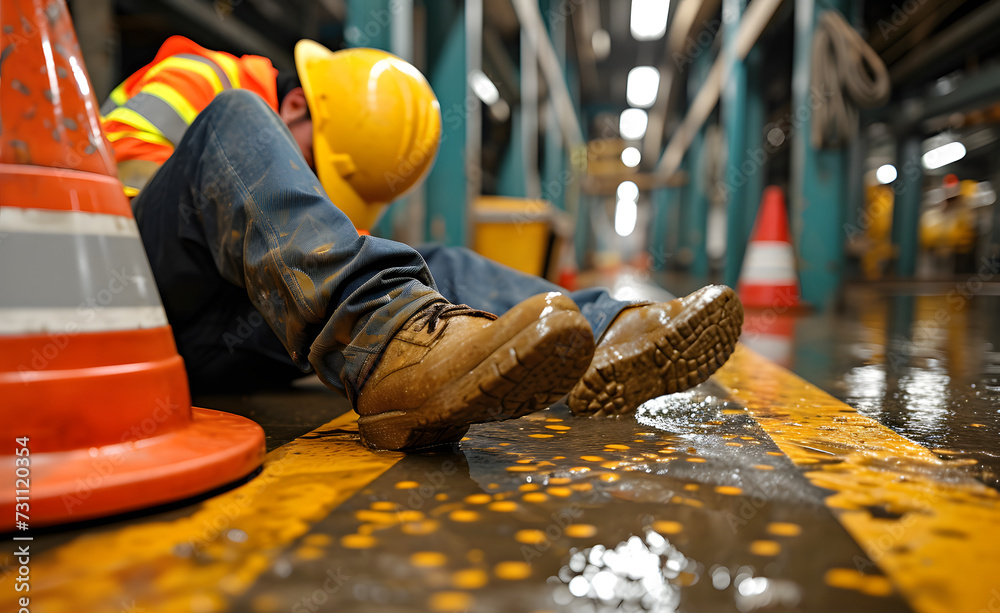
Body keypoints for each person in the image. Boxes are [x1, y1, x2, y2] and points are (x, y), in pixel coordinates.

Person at [100, 36, 743, 450]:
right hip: (124, 298)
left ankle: (604, 336)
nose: (308, 189)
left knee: (435, 264)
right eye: (312, 169)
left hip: (213, 338)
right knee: (236, 119)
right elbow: (116, 210)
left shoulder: (286, 138)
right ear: (296, 105)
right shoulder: (198, 81)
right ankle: (385, 350)